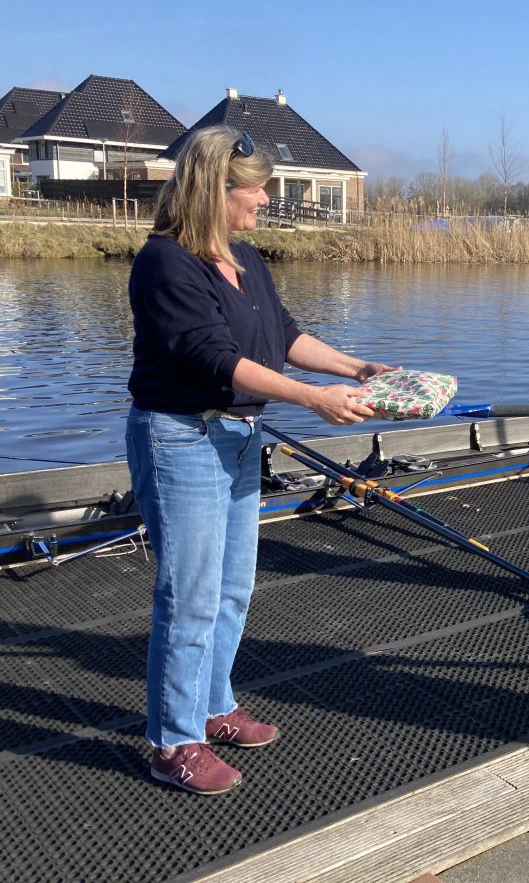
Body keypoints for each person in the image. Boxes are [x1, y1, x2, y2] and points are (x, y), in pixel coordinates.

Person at [126, 126, 396, 795]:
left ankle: (212, 706)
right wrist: (312, 399)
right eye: (256, 189)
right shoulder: (165, 263)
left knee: (231, 588)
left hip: (238, 439)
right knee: (187, 597)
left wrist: (357, 366)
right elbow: (213, 358)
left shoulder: (244, 257)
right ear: (214, 191)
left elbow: (284, 334)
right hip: (181, 438)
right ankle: (171, 741)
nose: (266, 199)